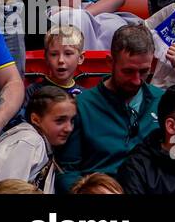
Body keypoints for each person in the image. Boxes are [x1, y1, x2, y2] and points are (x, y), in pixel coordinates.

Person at [57, 24, 161, 190]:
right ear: (110, 62)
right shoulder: (82, 107)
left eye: (144, 71)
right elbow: (67, 172)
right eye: (128, 71)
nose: (137, 80)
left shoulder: (163, 102)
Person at [0, 83, 73, 194]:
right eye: (60, 120)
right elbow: (5, 192)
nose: (69, 128)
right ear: (36, 119)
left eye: (71, 120)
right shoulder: (28, 143)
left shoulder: (42, 145)